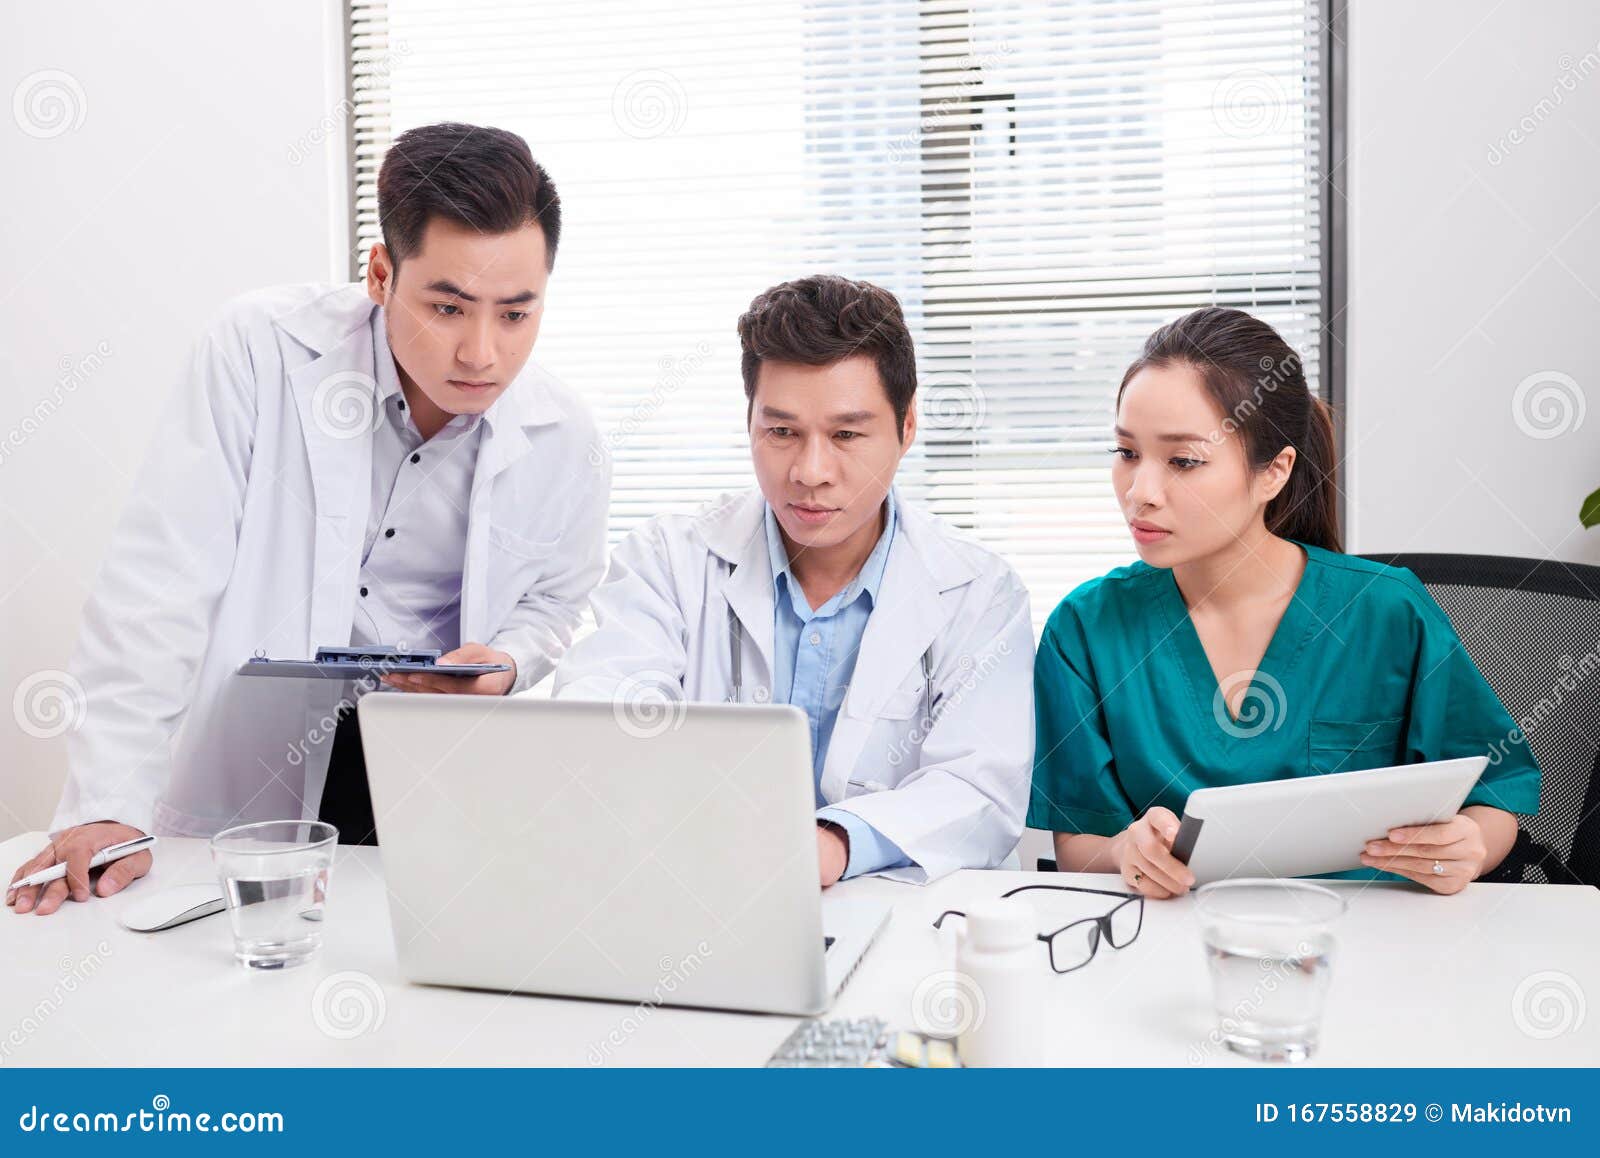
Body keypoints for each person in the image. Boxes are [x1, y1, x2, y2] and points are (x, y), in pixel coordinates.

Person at [9, 123, 610, 915]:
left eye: (515, 314)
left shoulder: (565, 437)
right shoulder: (259, 349)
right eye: (448, 306)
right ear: (379, 272)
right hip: (248, 754)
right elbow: (159, 580)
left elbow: (558, 604)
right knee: (223, 987)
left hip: (419, 764)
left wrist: (508, 659)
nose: (481, 354)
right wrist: (106, 802)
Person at [1028, 306, 1539, 898]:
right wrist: (1126, 850)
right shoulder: (1086, 628)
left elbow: (1494, 793)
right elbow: (1080, 845)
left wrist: (1470, 845)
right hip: (1169, 946)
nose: (1140, 493)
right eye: (1126, 453)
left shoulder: (1386, 612)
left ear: (1273, 471)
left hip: (1369, 947)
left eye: (1183, 461)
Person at [554, 275, 1034, 886]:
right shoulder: (668, 561)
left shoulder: (978, 593)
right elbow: (598, 723)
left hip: (892, 914)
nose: (810, 473)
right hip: (692, 892)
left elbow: (978, 792)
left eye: (846, 435)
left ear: (908, 426)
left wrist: (833, 844)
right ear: (750, 421)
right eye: (781, 432)